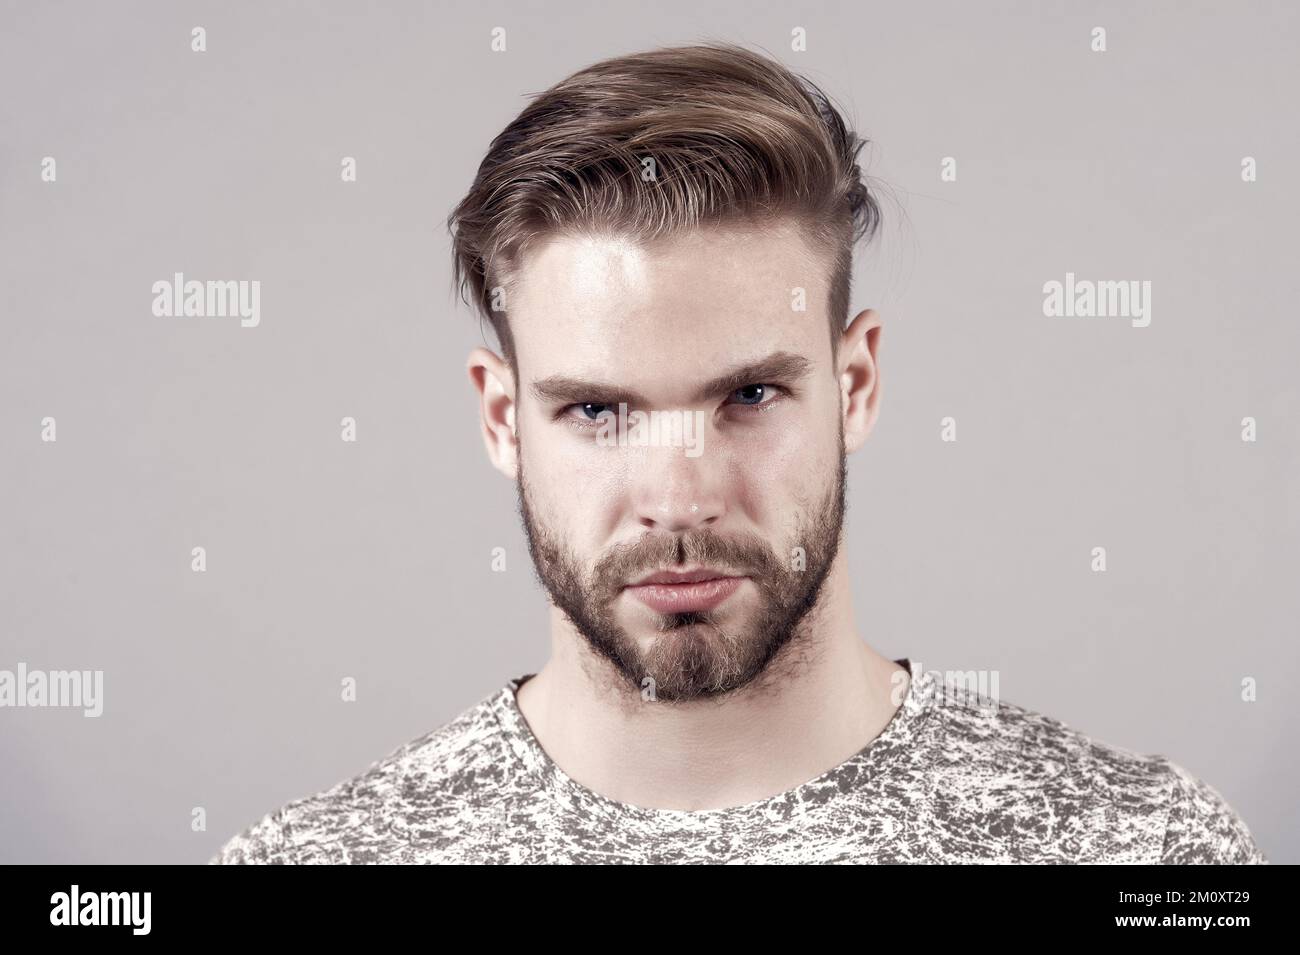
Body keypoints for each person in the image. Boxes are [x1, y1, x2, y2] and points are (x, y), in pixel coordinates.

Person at [211, 42, 1265, 864]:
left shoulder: (1140, 850)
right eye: (596, 411)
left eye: (750, 395)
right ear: (501, 420)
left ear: (853, 385)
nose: (679, 497)